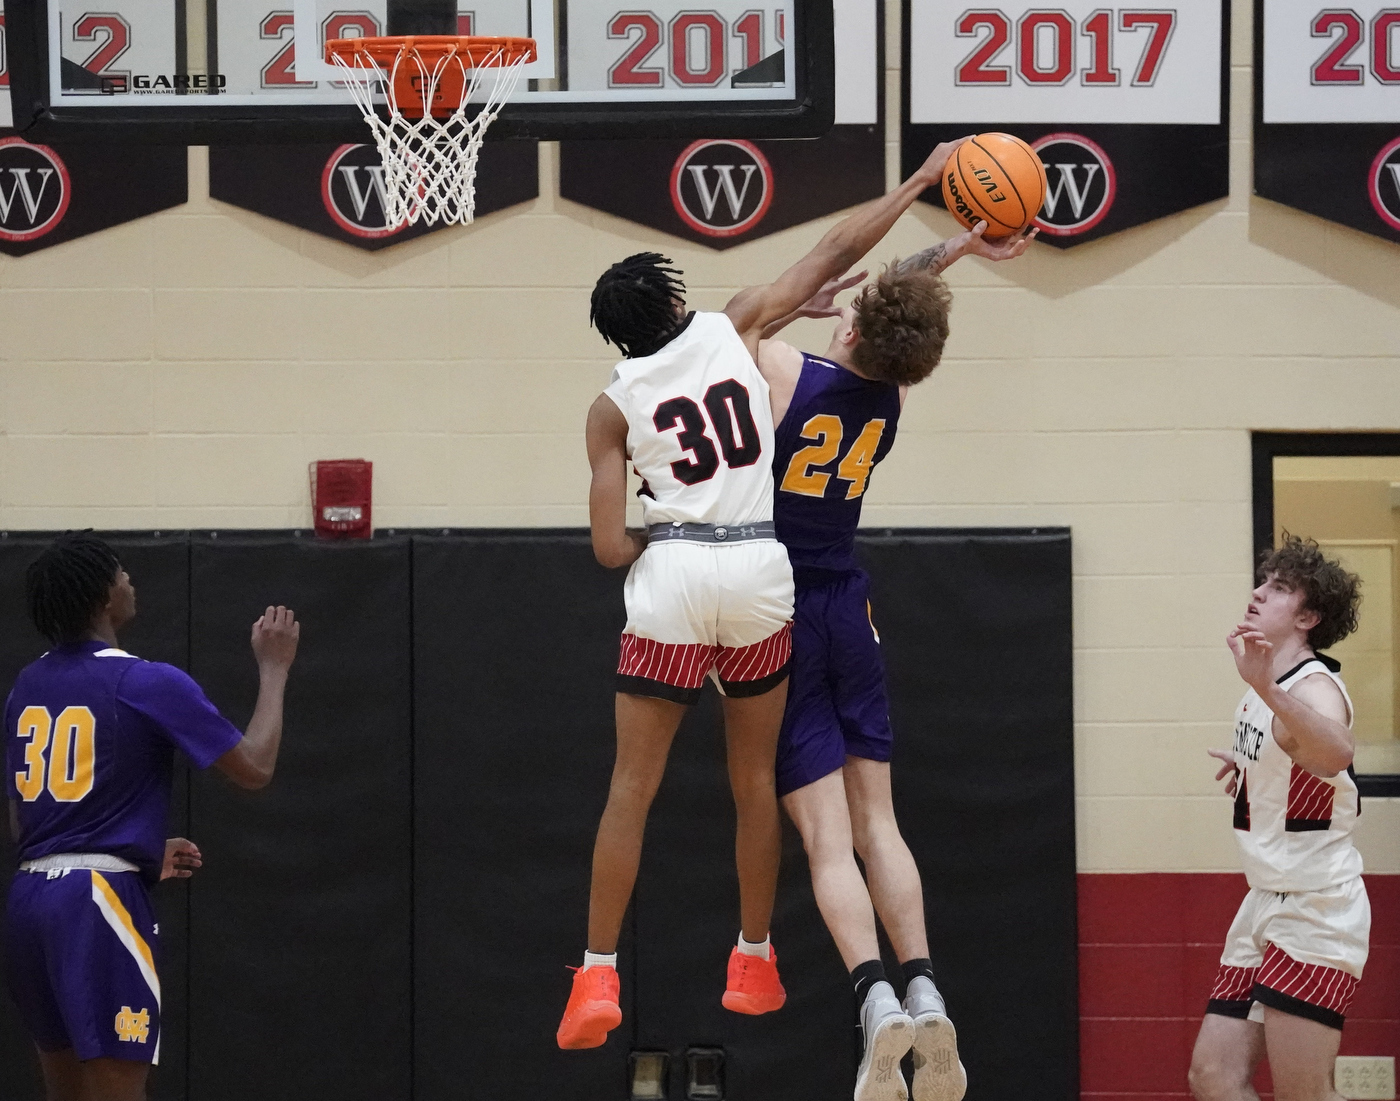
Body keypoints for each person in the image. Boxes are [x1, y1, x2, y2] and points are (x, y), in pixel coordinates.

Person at [556, 138, 978, 1051]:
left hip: (678, 579)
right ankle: (760, 958)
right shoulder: (743, 335)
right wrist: (927, 197)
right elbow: (838, 260)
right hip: (771, 580)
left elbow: (603, 546)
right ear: (675, 301)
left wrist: (660, 530)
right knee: (772, 787)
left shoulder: (620, 398)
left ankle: (596, 973)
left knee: (635, 785)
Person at [756, 223, 1032, 1101]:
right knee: (882, 822)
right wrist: (951, 256)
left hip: (784, 609)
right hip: (852, 610)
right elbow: (894, 313)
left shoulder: (784, 372)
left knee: (826, 836)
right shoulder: (892, 403)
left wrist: (804, 297)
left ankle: (875, 999)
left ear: (849, 326)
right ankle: (925, 983)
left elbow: (745, 320)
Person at [4, 531, 300, 1101]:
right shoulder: (146, 681)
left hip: (28, 902)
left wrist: (129, 849)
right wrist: (275, 668)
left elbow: (25, 819)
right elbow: (255, 768)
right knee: (117, 1090)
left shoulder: (27, 685)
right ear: (101, 597)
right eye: (121, 574)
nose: (130, 582)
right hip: (96, 902)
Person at [1188, 535, 1366, 1101]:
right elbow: (1296, 762)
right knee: (1213, 1079)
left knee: (1303, 1092)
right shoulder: (1263, 687)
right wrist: (1248, 771)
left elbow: (1335, 750)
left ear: (1309, 617)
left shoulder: (1312, 685)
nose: (1259, 593)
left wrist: (1264, 686)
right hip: (1264, 901)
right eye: (1264, 581)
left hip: (1317, 907)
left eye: (1280, 588)